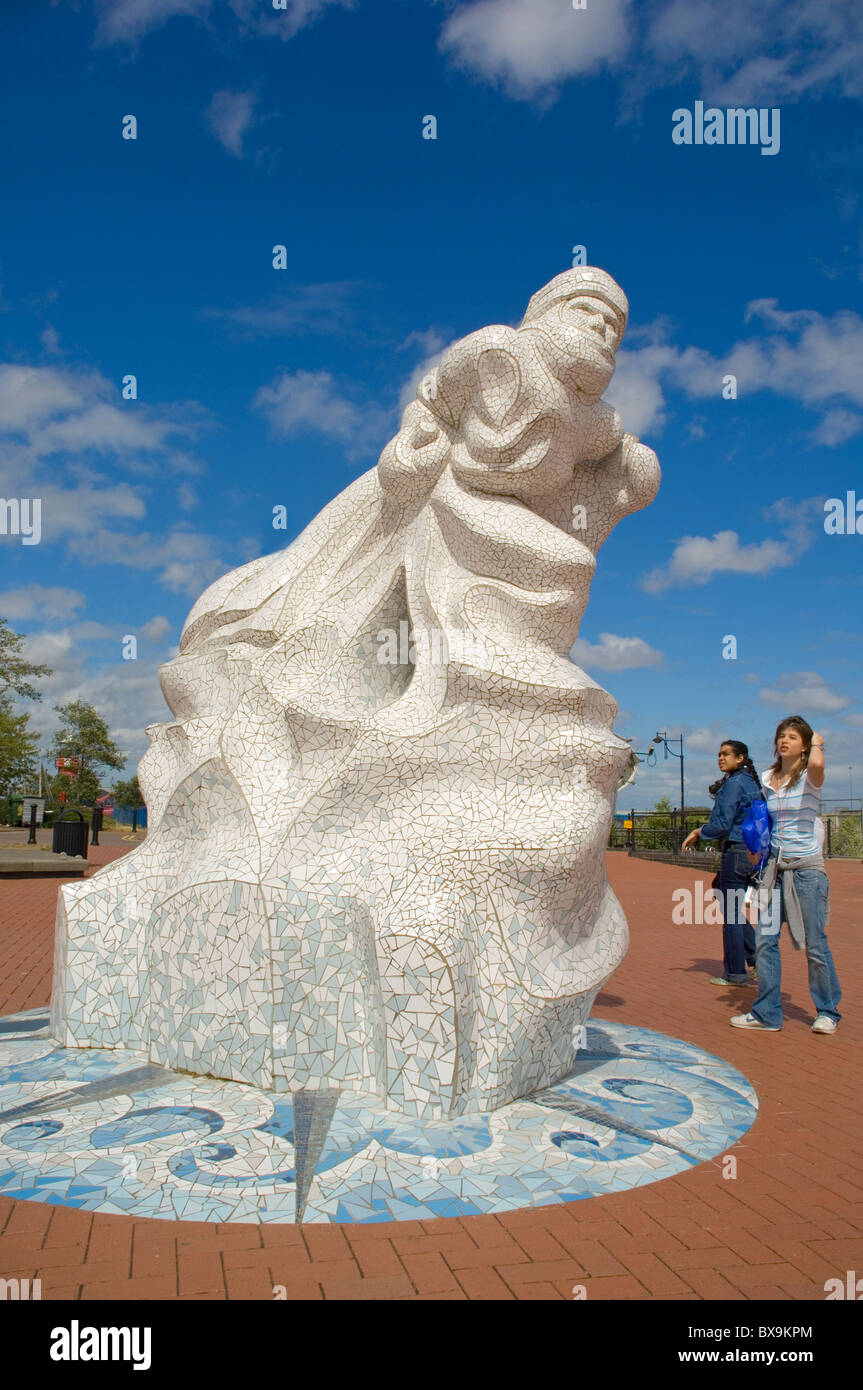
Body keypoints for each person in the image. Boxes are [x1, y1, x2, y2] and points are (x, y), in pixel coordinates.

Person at [730, 716, 842, 1034]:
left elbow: (818, 763)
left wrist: (817, 742)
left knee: (816, 944)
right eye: (781, 735)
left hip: (807, 870)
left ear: (804, 745)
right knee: (766, 941)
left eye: (792, 736)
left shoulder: (810, 775)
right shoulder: (767, 777)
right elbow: (765, 819)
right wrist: (756, 845)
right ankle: (767, 1013)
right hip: (775, 870)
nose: (784, 740)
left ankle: (827, 1011)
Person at [682, 740, 762, 986]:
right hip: (752, 852)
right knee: (722, 892)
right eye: (719, 754)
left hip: (736, 850)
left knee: (732, 914)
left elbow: (723, 824)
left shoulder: (734, 784)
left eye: (726, 754)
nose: (720, 758)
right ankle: (755, 952)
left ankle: (735, 972)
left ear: (740, 758)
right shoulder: (750, 782)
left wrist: (699, 832)